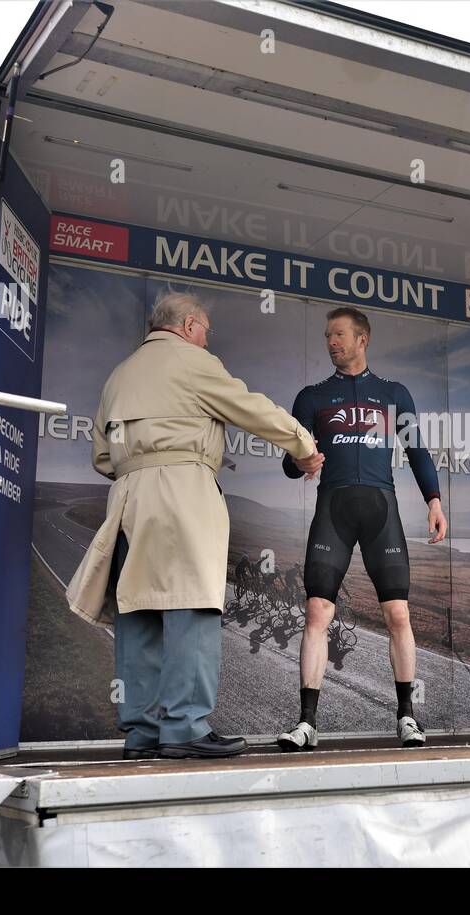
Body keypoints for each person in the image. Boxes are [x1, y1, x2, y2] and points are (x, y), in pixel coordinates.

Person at [66, 292, 324, 760]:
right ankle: (184, 726)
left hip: (127, 496)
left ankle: (141, 732)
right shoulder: (192, 362)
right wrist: (303, 445)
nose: (208, 339)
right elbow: (252, 408)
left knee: (138, 611)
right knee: (193, 607)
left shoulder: (119, 375)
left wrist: (140, 467)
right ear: (188, 326)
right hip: (182, 491)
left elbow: (102, 455)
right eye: (206, 330)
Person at [276, 306, 447, 751]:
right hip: (333, 508)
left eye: (339, 334)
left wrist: (434, 501)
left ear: (362, 339)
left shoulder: (394, 393)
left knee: (397, 615)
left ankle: (407, 717)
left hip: (381, 510)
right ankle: (306, 723)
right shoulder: (310, 398)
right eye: (327, 336)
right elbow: (291, 464)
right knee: (317, 613)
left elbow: (417, 451)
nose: (331, 342)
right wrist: (300, 461)